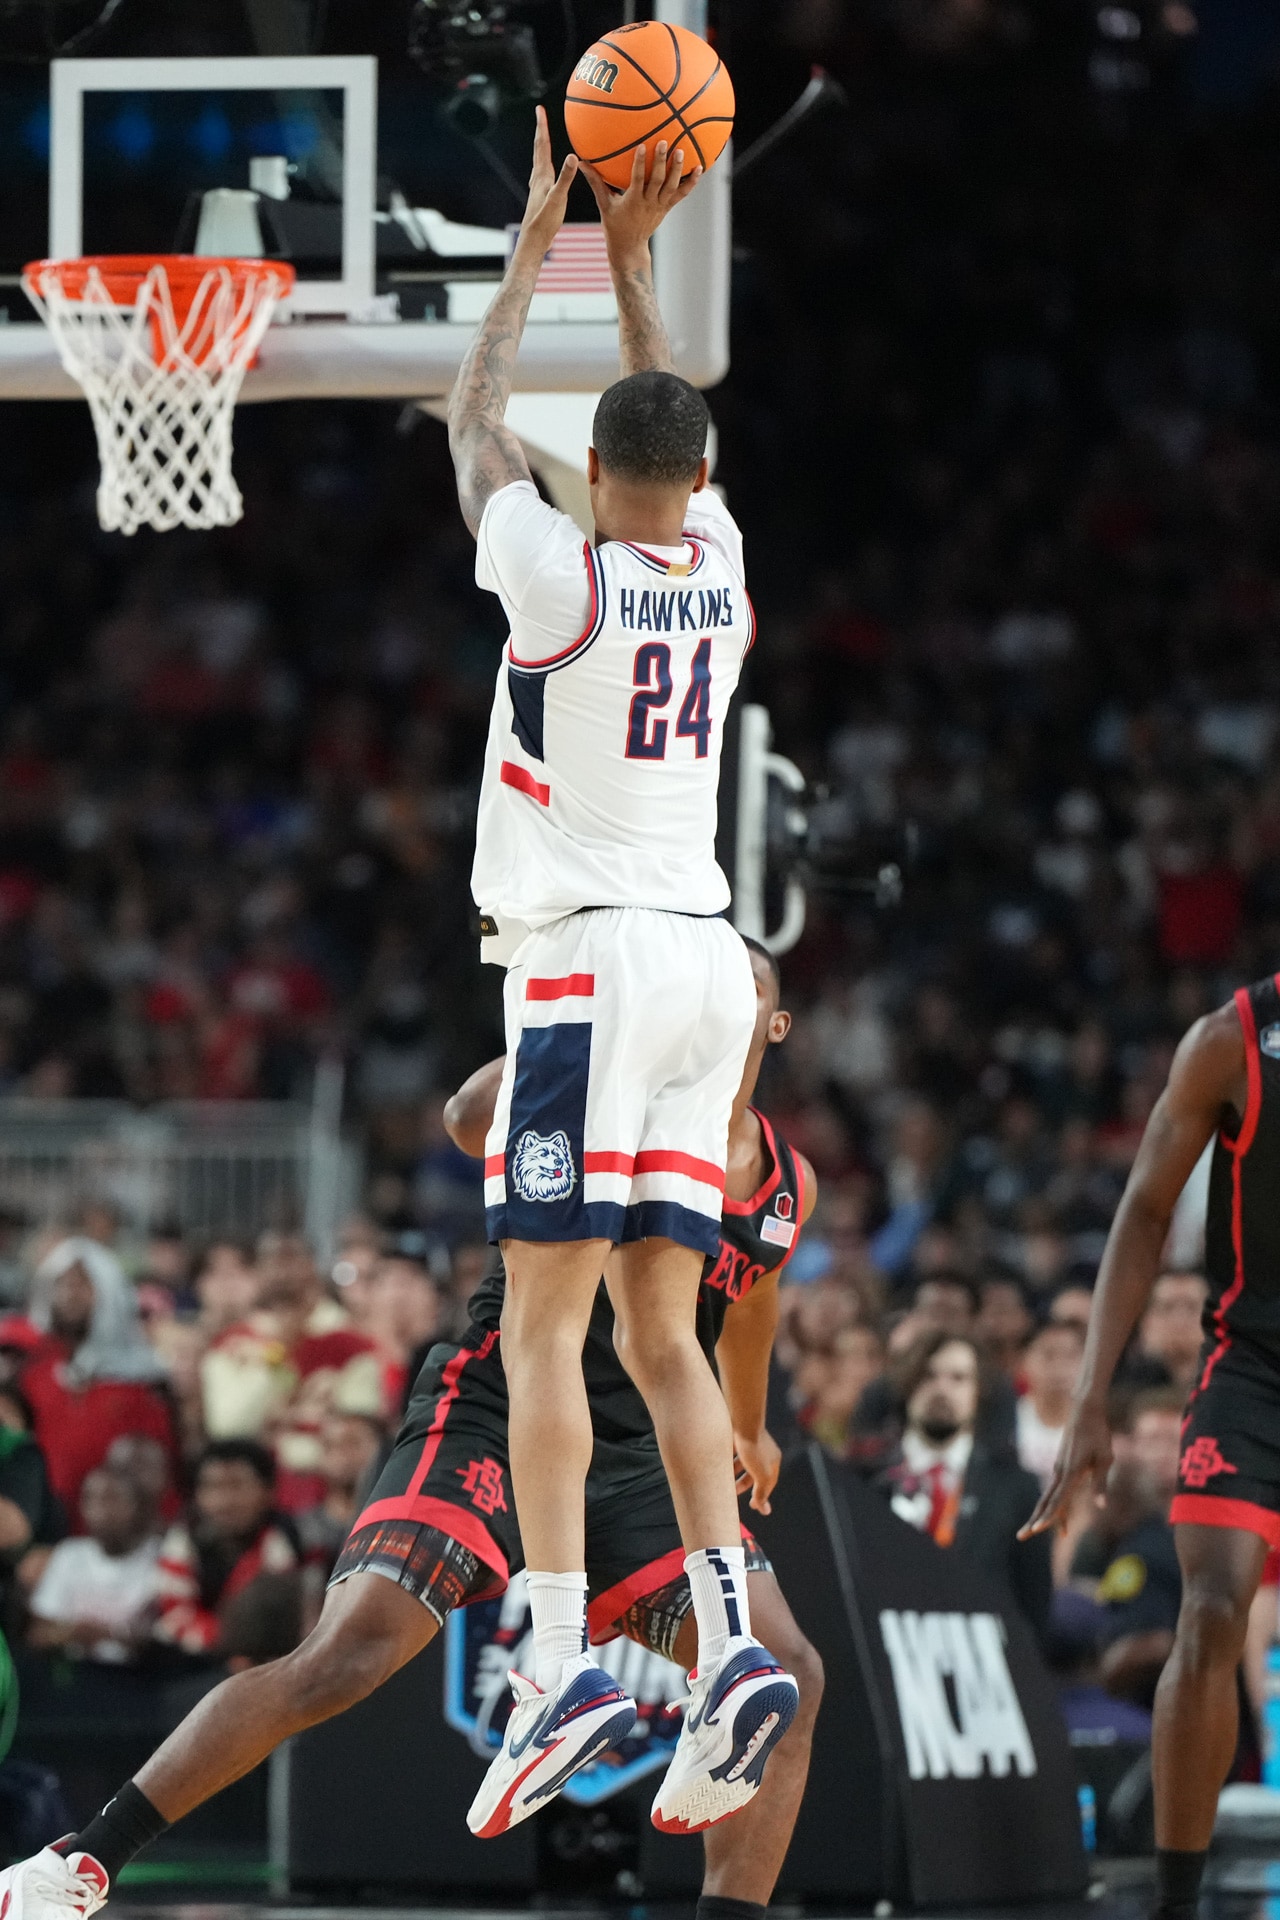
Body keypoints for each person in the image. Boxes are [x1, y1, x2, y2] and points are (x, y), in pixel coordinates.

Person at [0, 941, 824, 1920]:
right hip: (490, 1416)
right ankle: (82, 1863)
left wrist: (748, 1422)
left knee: (789, 1674)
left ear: (768, 1020)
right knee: (343, 1658)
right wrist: (576, 1038)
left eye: (743, 984)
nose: (715, 991)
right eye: (702, 972)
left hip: (635, 1459)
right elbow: (467, 1120)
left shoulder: (783, 1182)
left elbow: (753, 1302)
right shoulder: (608, 1089)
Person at [447, 108, 794, 1832]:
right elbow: (677, 433)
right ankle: (729, 1635)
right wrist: (640, 277)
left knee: (542, 1331)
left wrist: (539, 248)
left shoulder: (553, 576)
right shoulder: (716, 574)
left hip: (585, 966)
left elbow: (465, 423)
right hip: (710, 969)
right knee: (667, 1329)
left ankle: (561, 1649)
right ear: (698, 479)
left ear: (597, 468)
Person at [1023, 974, 1280, 1920]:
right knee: (1211, 1611)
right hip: (1256, 1366)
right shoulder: (1235, 1039)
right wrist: (1091, 1397)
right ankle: (1177, 1901)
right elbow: (1141, 1209)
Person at [876, 1331, 1052, 1640]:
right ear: (907, 1384)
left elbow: (1034, 1602)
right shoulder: (864, 1477)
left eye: (958, 1378)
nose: (941, 1389)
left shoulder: (1016, 1488)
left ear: (979, 1391)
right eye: (928, 1376)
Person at [200, 1232, 386, 1510]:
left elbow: (361, 1429)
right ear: (258, 1272)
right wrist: (274, 1358)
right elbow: (229, 1427)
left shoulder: (348, 1343)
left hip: (332, 1497)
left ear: (313, 1267)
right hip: (253, 1496)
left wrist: (280, 1427)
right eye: (274, 1259)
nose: (283, 1272)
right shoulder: (231, 1344)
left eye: (293, 1259)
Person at [20, 1238, 178, 1528]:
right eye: (61, 1284)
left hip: (124, 1538)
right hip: (47, 1536)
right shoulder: (34, 1376)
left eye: (83, 1284)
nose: (70, 1295)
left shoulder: (145, 1382)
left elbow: (160, 1475)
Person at [153, 1440, 300, 1658]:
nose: (225, 1502)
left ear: (268, 1491)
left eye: (237, 1485)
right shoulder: (182, 1540)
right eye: (213, 1487)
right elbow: (175, 1616)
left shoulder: (285, 1540)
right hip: (193, 1666)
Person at [27, 1467, 159, 1666]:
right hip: (75, 1671)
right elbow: (38, 1633)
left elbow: (160, 1637)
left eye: (112, 1498)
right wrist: (70, 1634)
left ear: (137, 1505)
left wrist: (106, 1634)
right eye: (91, 1499)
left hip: (140, 1677)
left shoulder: (161, 1556)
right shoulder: (69, 1554)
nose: (101, 1510)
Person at [1016, 1320, 1085, 1487]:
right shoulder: (1004, 1418)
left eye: (1071, 1356)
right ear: (1024, 1361)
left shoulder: (1096, 1424)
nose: (1059, 1366)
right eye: (1048, 1355)